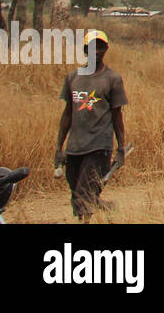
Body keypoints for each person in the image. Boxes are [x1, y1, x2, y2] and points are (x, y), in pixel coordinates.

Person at [54, 30, 127, 221]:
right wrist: (58, 147)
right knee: (77, 189)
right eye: (93, 47)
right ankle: (107, 208)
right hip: (75, 145)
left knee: (83, 192)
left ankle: (84, 220)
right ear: (85, 50)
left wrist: (121, 148)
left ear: (106, 49)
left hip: (99, 144)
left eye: (101, 47)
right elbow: (67, 113)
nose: (97, 51)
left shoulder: (112, 79)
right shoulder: (73, 78)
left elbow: (117, 115)